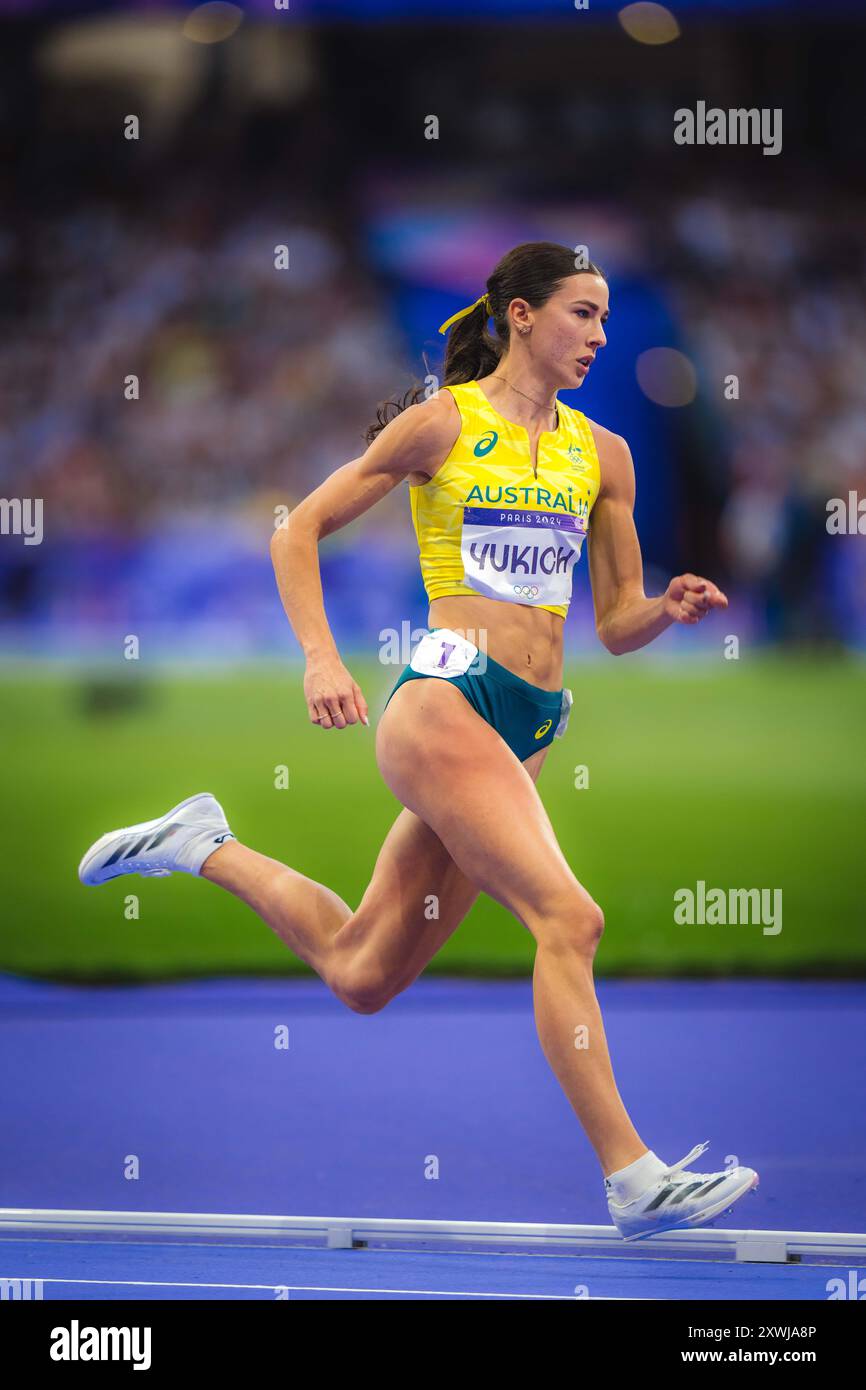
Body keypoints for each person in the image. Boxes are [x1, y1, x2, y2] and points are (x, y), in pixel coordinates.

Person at [78, 240, 758, 1240]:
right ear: (519, 315)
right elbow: (294, 529)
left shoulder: (602, 454)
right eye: (581, 314)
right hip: (444, 703)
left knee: (361, 972)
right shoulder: (442, 421)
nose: (599, 336)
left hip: (524, 725)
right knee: (569, 919)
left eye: (607, 318)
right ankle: (631, 1176)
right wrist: (320, 657)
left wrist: (666, 606)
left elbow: (610, 624)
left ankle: (200, 843)